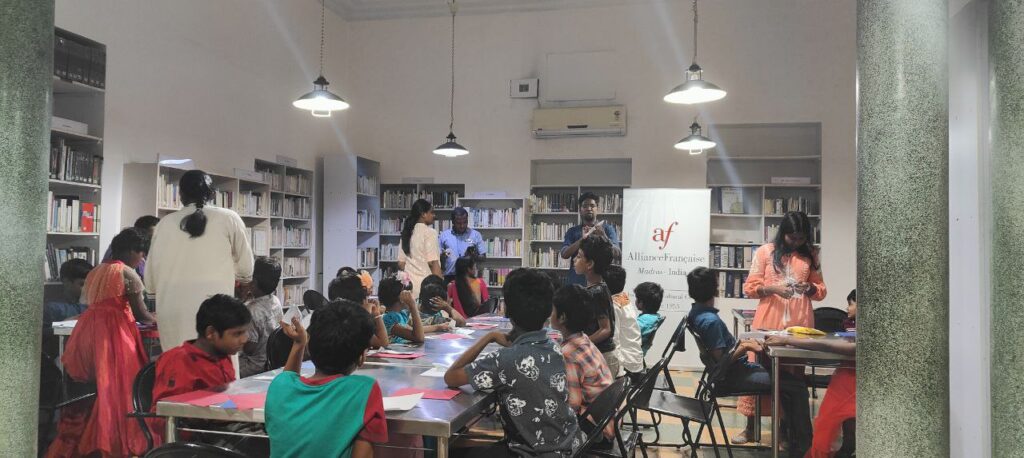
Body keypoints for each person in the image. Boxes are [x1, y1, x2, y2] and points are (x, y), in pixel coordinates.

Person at [444, 268, 585, 456]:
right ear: (548, 310)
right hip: (569, 445)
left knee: (453, 452)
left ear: (507, 310)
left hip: (532, 453)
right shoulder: (554, 346)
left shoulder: (505, 360)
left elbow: (451, 377)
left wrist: (489, 337)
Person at [46, 228, 157, 458]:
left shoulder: (96, 271)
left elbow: (90, 303)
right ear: (132, 251)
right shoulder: (127, 273)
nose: (141, 259)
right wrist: (158, 318)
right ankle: (112, 438)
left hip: (89, 332)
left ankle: (94, 436)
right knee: (119, 387)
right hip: (115, 333)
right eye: (141, 254)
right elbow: (141, 314)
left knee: (101, 387)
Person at [685, 267, 811, 457]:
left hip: (735, 372)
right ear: (715, 288)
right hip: (733, 376)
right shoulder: (710, 321)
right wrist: (745, 347)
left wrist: (746, 344)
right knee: (796, 386)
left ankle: (794, 440)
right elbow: (721, 363)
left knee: (786, 383)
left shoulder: (696, 313)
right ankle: (805, 447)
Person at [737, 211, 826, 443]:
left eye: (801, 238)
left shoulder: (811, 255)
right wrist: (773, 289)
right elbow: (749, 288)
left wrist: (810, 288)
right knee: (758, 370)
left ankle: (786, 428)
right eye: (792, 237)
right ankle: (750, 427)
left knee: (793, 375)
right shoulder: (765, 252)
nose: (796, 242)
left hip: (799, 322)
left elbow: (821, 290)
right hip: (769, 318)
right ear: (783, 233)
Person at [147, 169, 255, 353]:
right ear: (212, 194)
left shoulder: (164, 224)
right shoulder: (229, 218)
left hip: (173, 310)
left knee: (177, 362)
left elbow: (150, 279)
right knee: (217, 364)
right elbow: (246, 269)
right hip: (217, 310)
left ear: (180, 195)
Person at [266, 301, 388, 457]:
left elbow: (288, 378)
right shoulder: (363, 390)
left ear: (310, 347)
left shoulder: (279, 385)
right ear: (361, 357)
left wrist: (299, 343)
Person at [150, 294, 253, 446]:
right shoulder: (179, 362)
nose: (245, 339)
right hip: (198, 443)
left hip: (227, 426)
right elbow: (160, 418)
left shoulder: (222, 355)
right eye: (237, 333)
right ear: (211, 333)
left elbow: (226, 401)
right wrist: (205, 416)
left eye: (245, 332)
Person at [765, 335, 856, 458]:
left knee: (825, 430)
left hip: (852, 383)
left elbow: (829, 346)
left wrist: (787, 340)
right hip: (850, 377)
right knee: (835, 428)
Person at [550, 284, 614, 440]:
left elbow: (573, 404)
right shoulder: (583, 339)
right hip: (609, 420)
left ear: (562, 317)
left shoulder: (568, 355)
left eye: (552, 310)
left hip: (595, 428)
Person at [572, 233, 619, 376]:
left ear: (590, 264)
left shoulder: (596, 292)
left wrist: (581, 344)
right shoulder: (598, 288)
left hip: (602, 357)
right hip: (600, 354)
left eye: (579, 256)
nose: (574, 259)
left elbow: (606, 329)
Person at [560, 192, 620, 286]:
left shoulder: (607, 229)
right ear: (580, 210)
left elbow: (617, 254)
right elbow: (564, 254)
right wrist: (582, 239)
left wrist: (604, 236)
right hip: (576, 283)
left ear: (597, 209)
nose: (589, 208)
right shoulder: (572, 231)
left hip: (601, 283)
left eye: (592, 206)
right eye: (585, 206)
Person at [239, 256, 284, 378]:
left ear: (253, 282)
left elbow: (249, 349)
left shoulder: (251, 310)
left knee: (227, 364)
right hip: (272, 360)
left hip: (255, 366)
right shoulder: (276, 301)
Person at [328, 271, 390, 348]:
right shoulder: (346, 324)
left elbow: (383, 343)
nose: (368, 301)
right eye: (366, 297)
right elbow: (383, 343)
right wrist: (364, 315)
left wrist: (377, 314)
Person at [397, 199, 444, 297]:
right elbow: (432, 263)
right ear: (423, 214)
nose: (434, 215)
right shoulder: (430, 232)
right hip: (426, 287)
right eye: (431, 212)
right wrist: (441, 287)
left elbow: (401, 263)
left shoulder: (406, 233)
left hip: (408, 287)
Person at [603, 265, 643, 376]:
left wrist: (619, 371)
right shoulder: (624, 297)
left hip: (627, 365)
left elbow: (614, 339)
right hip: (635, 359)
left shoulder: (614, 305)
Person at [378, 277, 444, 344]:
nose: (413, 297)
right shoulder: (389, 318)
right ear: (401, 298)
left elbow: (414, 330)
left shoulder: (401, 314)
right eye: (410, 294)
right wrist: (413, 306)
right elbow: (419, 337)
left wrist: (438, 327)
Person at [438, 207, 484, 283]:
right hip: (449, 277)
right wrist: (442, 257)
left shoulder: (475, 235)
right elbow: (437, 258)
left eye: (465, 222)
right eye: (458, 223)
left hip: (469, 277)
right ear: (453, 222)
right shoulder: (444, 235)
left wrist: (473, 256)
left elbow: (483, 257)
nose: (462, 226)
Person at [43, 258, 93, 327]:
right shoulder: (52, 308)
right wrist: (62, 325)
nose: (88, 288)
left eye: (90, 284)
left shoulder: (93, 305)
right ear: (67, 282)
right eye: (82, 284)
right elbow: (44, 331)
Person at [634, 282, 665, 355]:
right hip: (638, 353)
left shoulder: (644, 321)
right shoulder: (654, 317)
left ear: (641, 303)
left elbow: (628, 333)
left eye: (637, 298)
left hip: (633, 354)